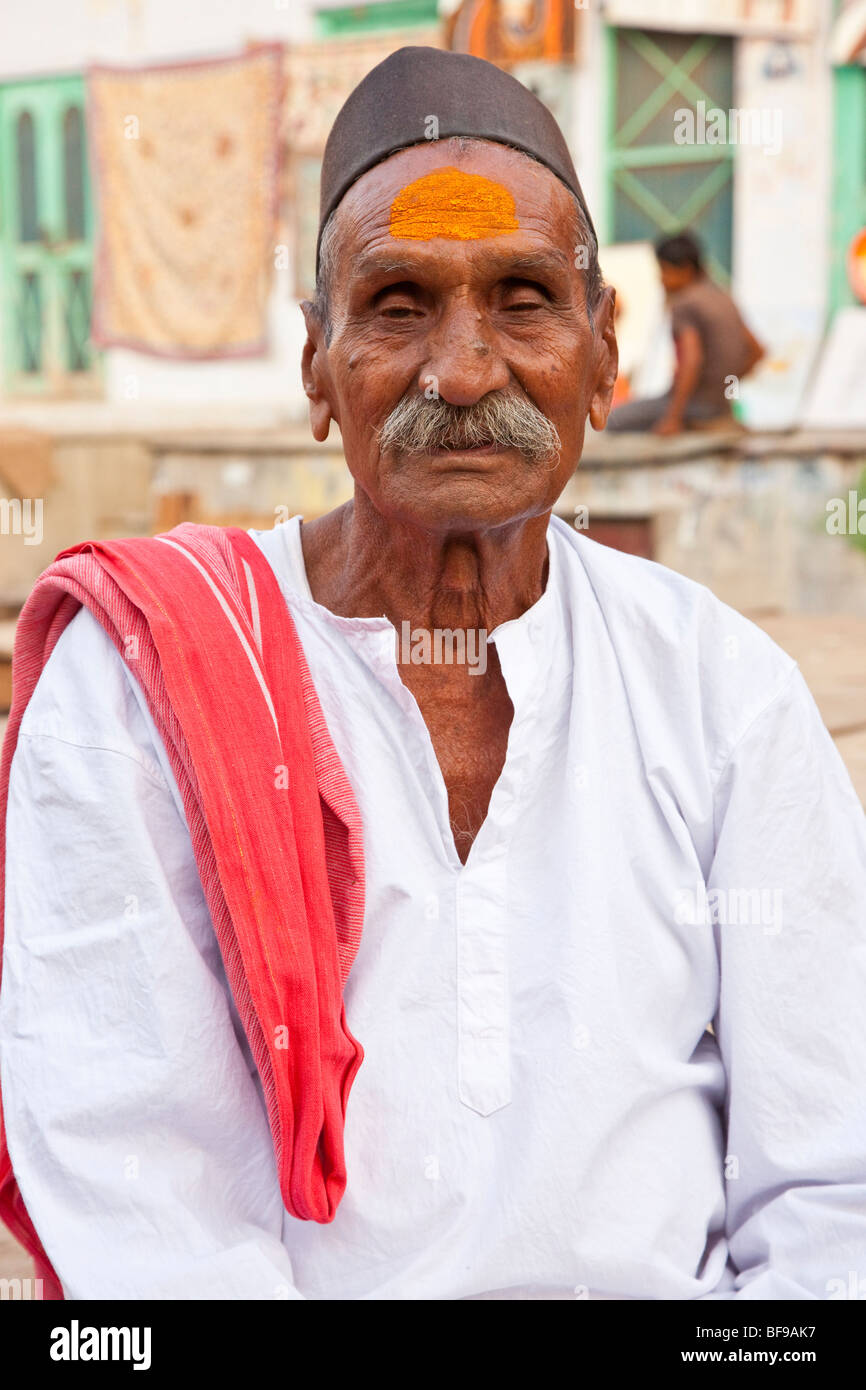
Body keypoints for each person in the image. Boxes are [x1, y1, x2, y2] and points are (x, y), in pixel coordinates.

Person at [1, 46, 864, 1302]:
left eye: (521, 299)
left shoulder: (725, 694)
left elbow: (831, 1180)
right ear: (314, 367)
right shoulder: (141, 684)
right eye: (398, 305)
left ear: (600, 355)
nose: (462, 374)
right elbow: (134, 1189)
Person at [607, 231, 765, 435]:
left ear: (686, 270)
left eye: (665, 271)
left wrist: (673, 418)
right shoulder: (724, 297)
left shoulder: (685, 303)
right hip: (720, 406)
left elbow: (692, 360)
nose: (661, 279)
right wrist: (722, 388)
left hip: (694, 408)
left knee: (614, 420)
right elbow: (757, 351)